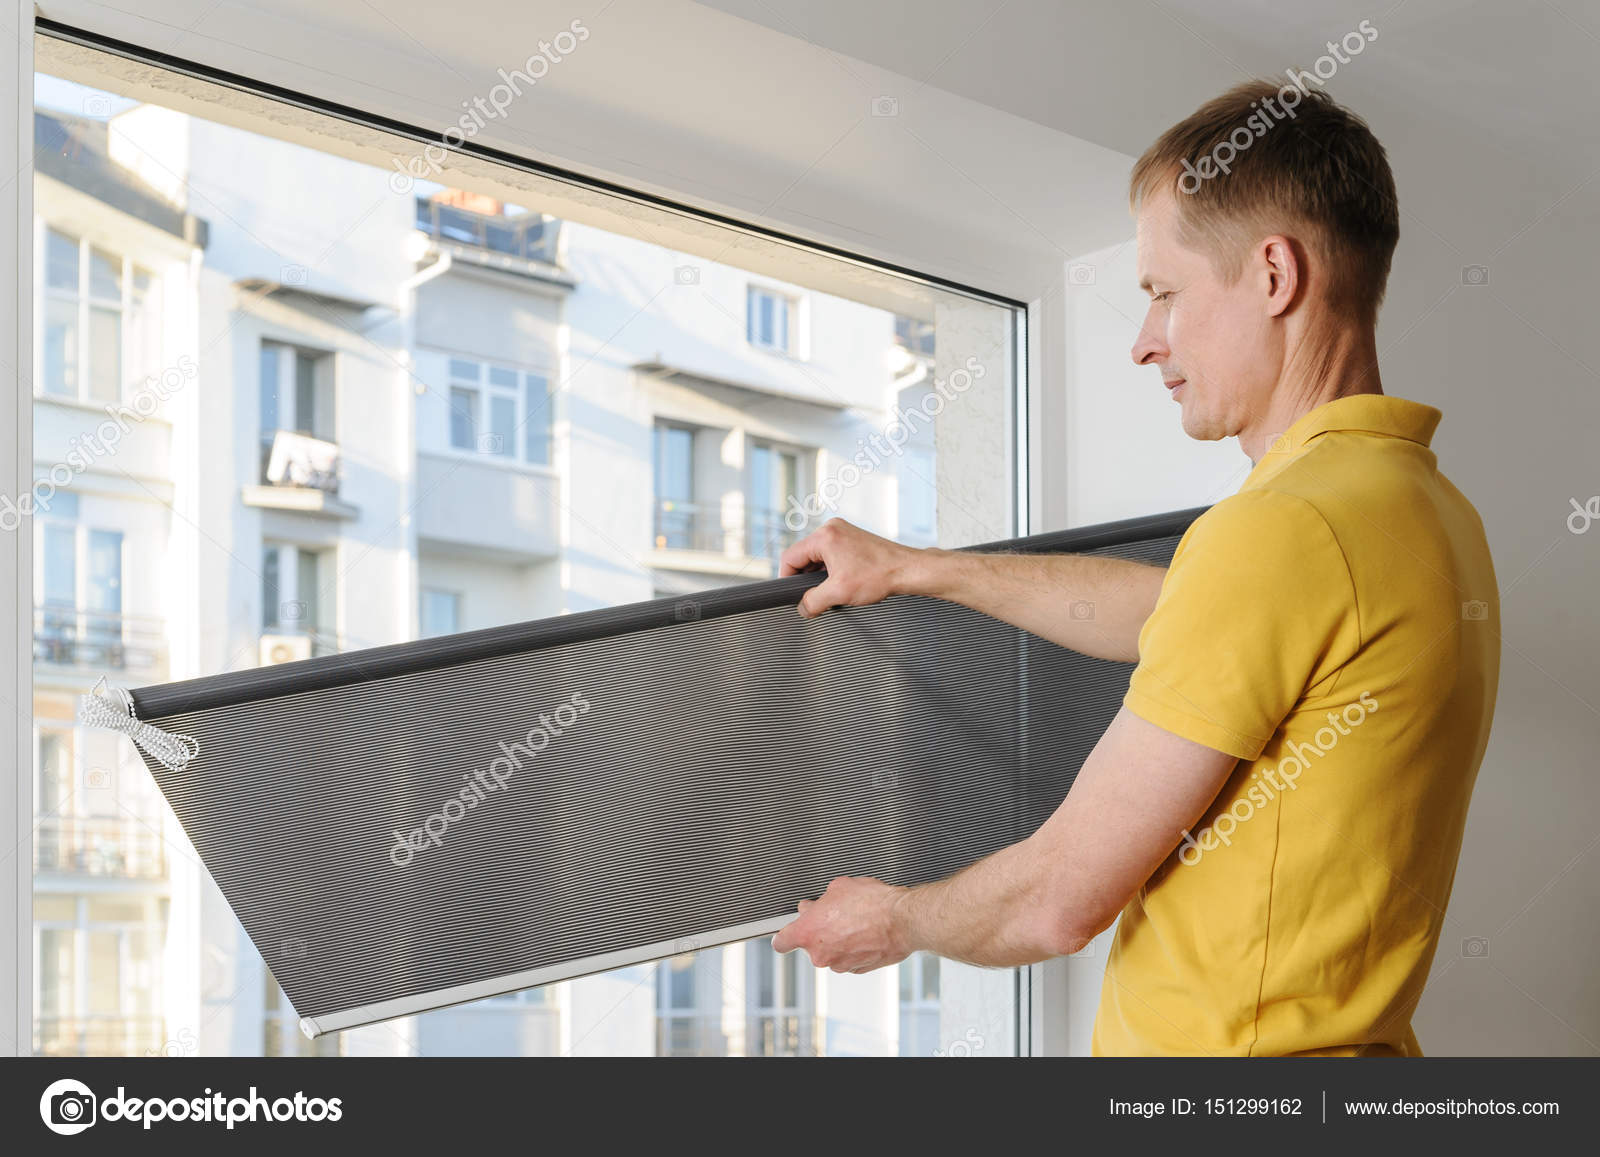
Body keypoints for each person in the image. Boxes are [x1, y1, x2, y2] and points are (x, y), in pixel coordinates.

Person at [769, 79, 1501, 1057]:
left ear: (1274, 274)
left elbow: (1057, 900)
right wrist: (921, 569)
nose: (1143, 339)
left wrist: (894, 917)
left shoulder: (1282, 530)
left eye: (1163, 291)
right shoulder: (1425, 513)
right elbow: (1176, 614)